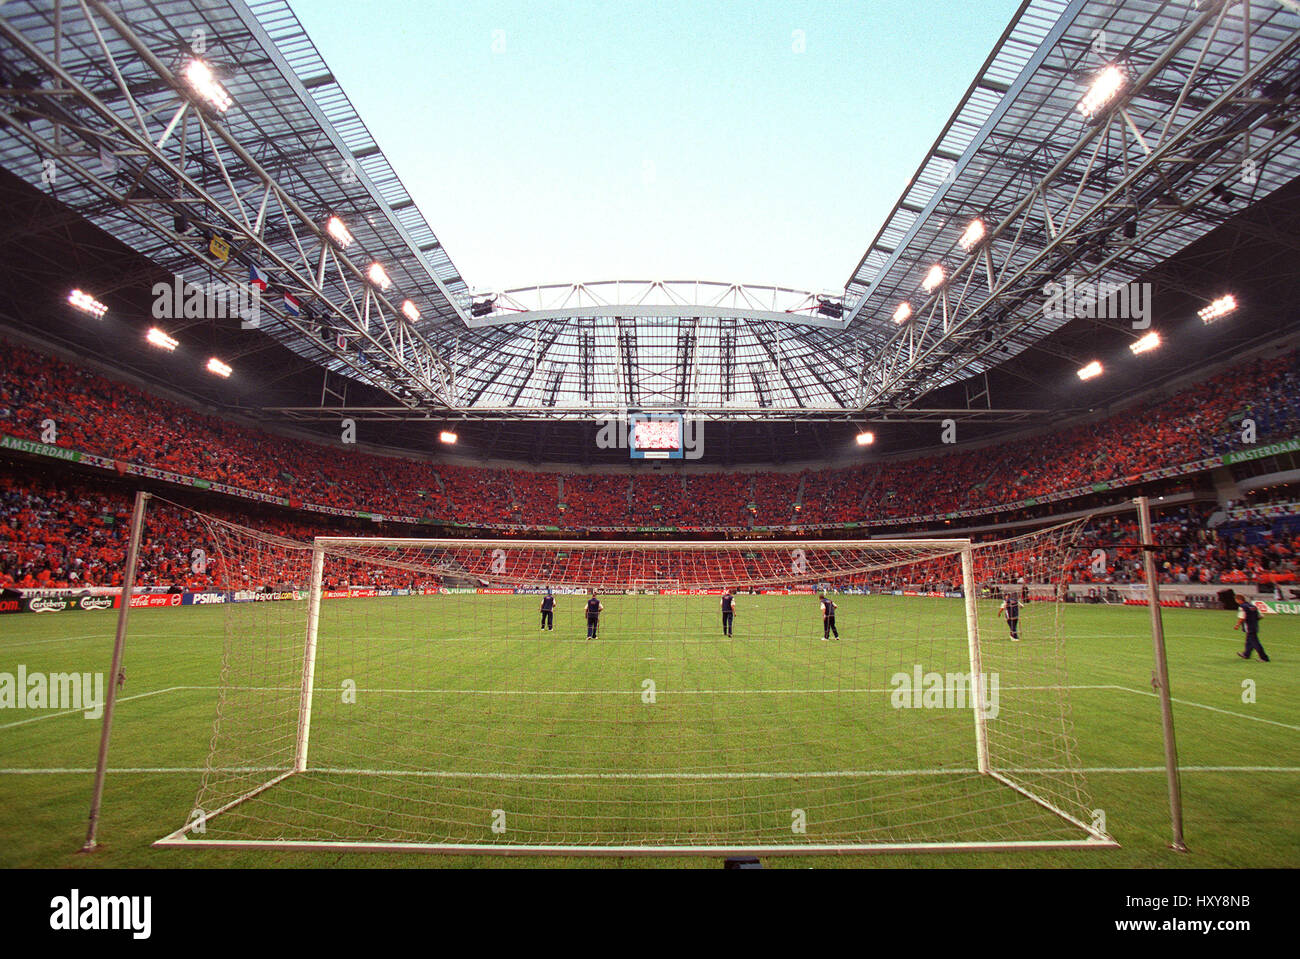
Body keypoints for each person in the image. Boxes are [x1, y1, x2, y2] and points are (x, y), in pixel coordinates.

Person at [1233, 594, 1270, 661]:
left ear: (1239, 600)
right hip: (1254, 626)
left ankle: (1264, 657)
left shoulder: (1242, 607)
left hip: (1249, 627)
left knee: (1255, 642)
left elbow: (1242, 617)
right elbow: (1261, 616)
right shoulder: (1253, 606)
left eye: (1236, 600)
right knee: (1249, 641)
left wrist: (1237, 625)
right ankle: (1246, 654)